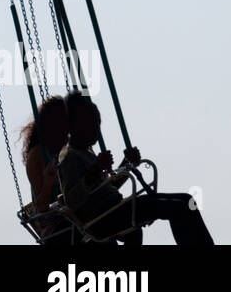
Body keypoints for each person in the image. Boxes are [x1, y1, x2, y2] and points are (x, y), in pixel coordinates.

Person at [55, 92, 214, 245]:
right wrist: (96, 169)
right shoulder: (69, 157)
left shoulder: (86, 151)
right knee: (181, 205)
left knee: (185, 201)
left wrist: (127, 164)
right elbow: (72, 200)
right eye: (92, 124)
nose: (97, 129)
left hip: (116, 210)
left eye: (98, 123)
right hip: (107, 216)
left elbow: (105, 188)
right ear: (74, 125)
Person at [20, 96, 71, 244]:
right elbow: (41, 206)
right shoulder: (37, 155)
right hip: (55, 220)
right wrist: (48, 181)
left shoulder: (70, 148)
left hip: (78, 209)